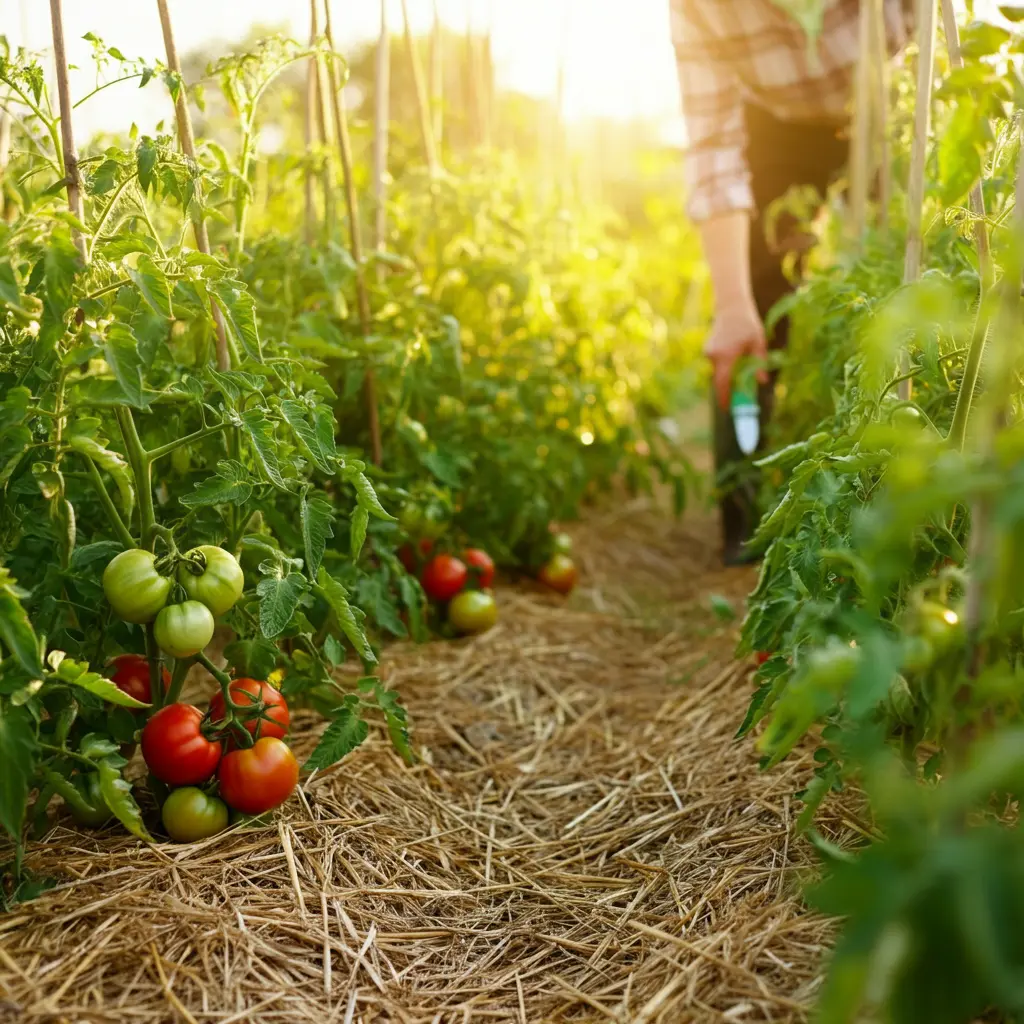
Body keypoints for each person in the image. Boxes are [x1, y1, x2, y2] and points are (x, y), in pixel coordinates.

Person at [671, 0, 913, 565]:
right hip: (776, 127)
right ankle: (743, 520)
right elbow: (713, 154)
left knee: (902, 275)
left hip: (892, 106)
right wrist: (731, 303)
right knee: (754, 298)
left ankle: (895, 497)